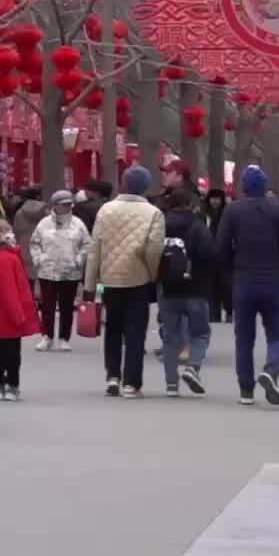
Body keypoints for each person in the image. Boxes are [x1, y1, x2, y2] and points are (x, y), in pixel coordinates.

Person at [83, 164, 165, 398]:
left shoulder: (106, 210)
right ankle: (131, 382)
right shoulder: (153, 213)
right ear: (146, 187)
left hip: (109, 278)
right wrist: (151, 273)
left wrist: (90, 284)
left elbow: (94, 248)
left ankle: (112, 377)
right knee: (135, 332)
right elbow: (154, 248)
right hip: (138, 279)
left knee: (113, 330)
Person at [217, 165, 279, 407]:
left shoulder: (233, 211)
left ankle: (246, 390)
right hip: (274, 279)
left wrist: (231, 270)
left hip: (244, 280)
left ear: (243, 187)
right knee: (278, 333)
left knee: (244, 338)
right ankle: (271, 370)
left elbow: (221, 245)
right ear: (265, 186)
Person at [157, 186, 216, 397]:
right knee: (200, 333)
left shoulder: (160, 224)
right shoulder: (197, 226)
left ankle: (171, 385)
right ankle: (193, 367)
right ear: (190, 205)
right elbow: (210, 254)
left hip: (168, 289)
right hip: (195, 288)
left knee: (171, 338)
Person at [0, 216, 39, 401]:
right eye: (1, 230)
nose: (6, 233)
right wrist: (18, 314)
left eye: (7, 229)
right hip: (10, 312)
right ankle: (11, 385)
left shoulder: (2, 255)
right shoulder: (5, 258)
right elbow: (9, 289)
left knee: (0, 350)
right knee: (12, 352)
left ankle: (0, 384)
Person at [30, 189, 90, 352]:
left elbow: (87, 244)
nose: (68, 207)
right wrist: (39, 259)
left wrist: (79, 260)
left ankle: (64, 338)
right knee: (47, 307)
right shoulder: (44, 223)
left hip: (70, 272)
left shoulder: (78, 223)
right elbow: (34, 243)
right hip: (47, 272)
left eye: (70, 204)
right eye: (64, 204)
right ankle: (46, 336)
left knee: (66, 307)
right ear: (55, 205)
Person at [204, 188, 233, 323]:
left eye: (217, 198)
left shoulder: (228, 214)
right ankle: (213, 313)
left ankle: (229, 311)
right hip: (209, 256)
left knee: (227, 286)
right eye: (212, 198)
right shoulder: (204, 214)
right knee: (211, 286)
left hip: (226, 256)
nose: (215, 201)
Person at [10, 187, 49, 282]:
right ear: (39, 196)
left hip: (25, 251)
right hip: (44, 251)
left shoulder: (19, 213)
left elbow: (16, 232)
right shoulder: (46, 213)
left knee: (28, 282)